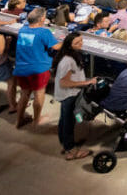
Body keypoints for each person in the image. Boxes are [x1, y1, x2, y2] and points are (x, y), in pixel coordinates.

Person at [12, 7, 58, 128]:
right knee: (39, 93)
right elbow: (57, 47)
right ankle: (36, 120)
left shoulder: (23, 29)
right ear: (42, 18)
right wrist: (67, 41)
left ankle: (19, 120)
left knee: (24, 94)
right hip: (38, 69)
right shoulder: (44, 32)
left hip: (21, 67)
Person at [54, 32, 96, 160]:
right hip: (69, 95)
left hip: (68, 94)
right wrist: (86, 82)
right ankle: (71, 151)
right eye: (77, 43)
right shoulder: (68, 61)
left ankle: (66, 144)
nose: (81, 44)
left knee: (64, 120)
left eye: (81, 41)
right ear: (69, 45)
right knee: (68, 122)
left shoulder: (71, 56)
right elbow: (64, 82)